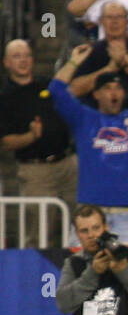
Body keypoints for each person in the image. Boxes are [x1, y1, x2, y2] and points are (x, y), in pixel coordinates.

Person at [49, 46, 128, 241]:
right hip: (89, 215)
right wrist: (74, 61)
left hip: (127, 215)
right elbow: (56, 90)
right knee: (81, 270)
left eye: (118, 88)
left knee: (127, 269)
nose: (113, 93)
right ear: (96, 94)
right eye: (107, 88)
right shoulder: (83, 117)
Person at [1, 39, 75, 246]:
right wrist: (31, 136)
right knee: (39, 231)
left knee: (80, 223)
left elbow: (73, 92)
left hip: (68, 164)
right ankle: (33, 276)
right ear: (6, 62)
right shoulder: (5, 98)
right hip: (35, 171)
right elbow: (6, 142)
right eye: (17, 56)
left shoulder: (48, 85)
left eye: (26, 55)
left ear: (33, 59)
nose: (23, 60)